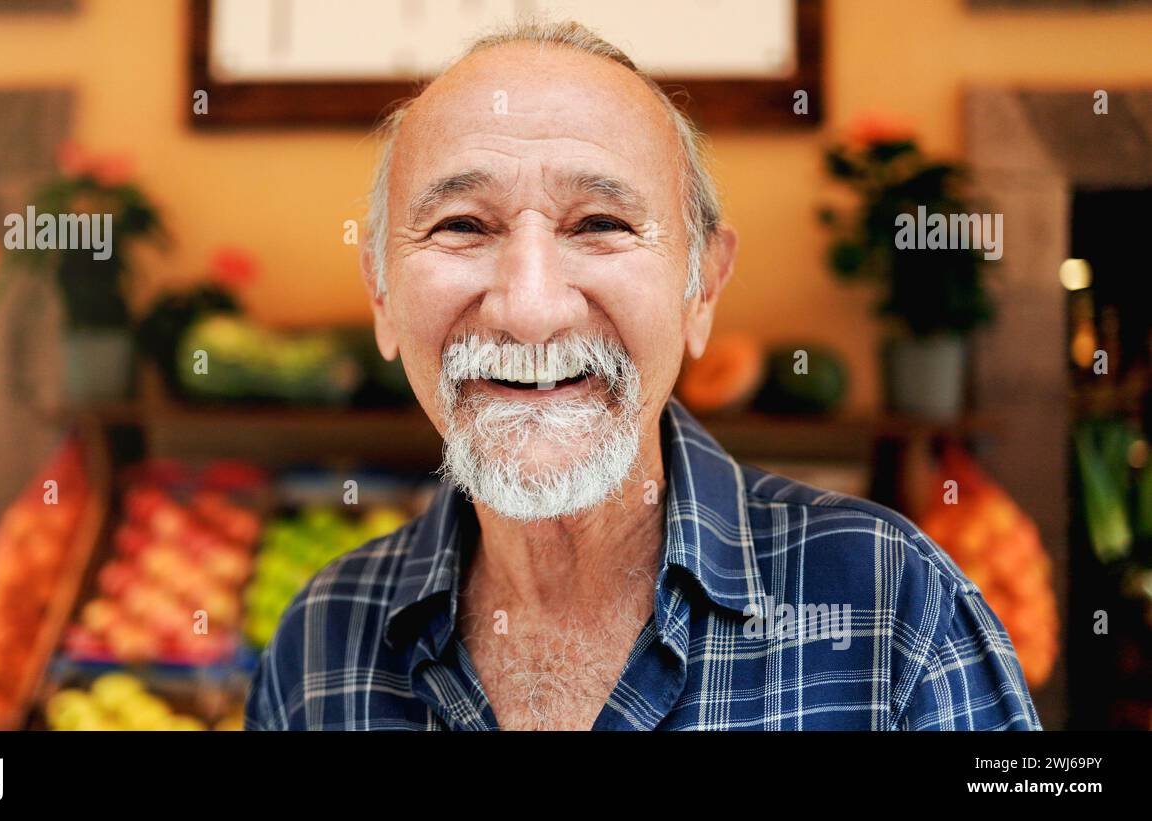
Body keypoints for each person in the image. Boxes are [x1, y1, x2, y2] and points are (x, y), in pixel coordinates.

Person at [246, 19, 1040, 731]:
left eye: (600, 224)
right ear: (382, 293)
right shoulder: (321, 643)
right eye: (461, 225)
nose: (529, 308)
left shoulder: (893, 611)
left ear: (702, 288)